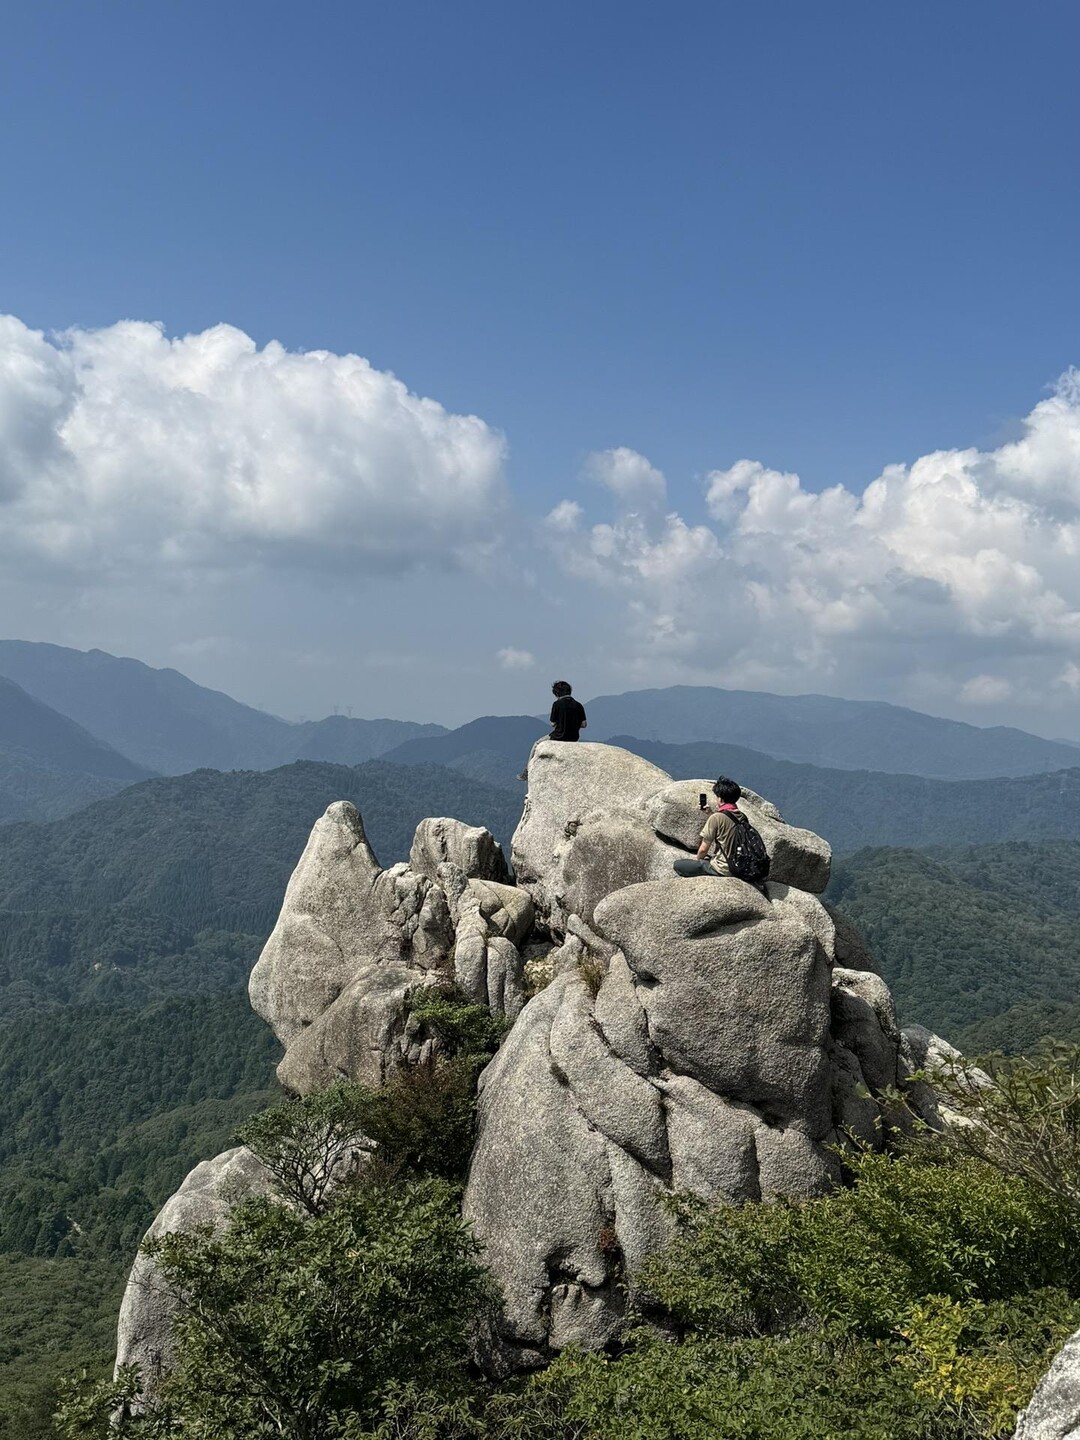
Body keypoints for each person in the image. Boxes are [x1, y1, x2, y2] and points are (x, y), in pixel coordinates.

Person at [673, 776, 742, 878]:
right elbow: (725, 825)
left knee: (678, 865)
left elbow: (703, 849)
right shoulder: (741, 816)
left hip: (724, 869)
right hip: (740, 867)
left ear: (721, 799)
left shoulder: (716, 818)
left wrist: (697, 862)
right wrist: (710, 814)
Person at [517, 681, 587, 779]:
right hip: (574, 738)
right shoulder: (578, 705)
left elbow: (553, 723)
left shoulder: (557, 704)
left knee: (537, 744)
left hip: (558, 736)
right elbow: (584, 724)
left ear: (557, 693)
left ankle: (527, 771)